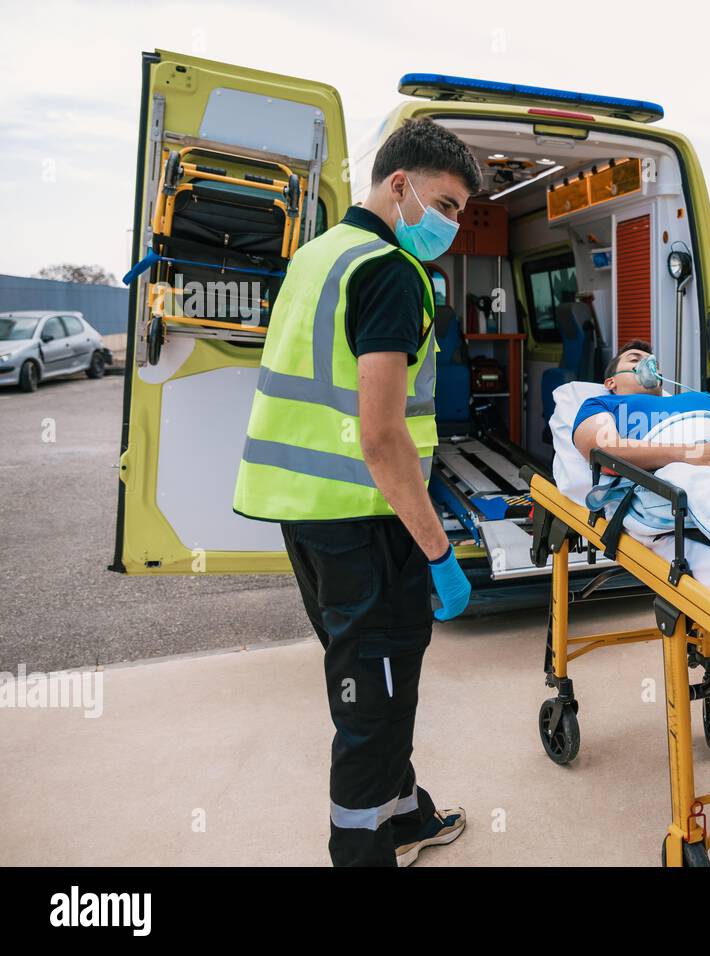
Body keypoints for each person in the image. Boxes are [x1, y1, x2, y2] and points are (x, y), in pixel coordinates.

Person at [232, 117, 482, 866]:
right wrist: (437, 547)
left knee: (380, 680)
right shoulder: (390, 272)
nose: (449, 225)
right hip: (365, 523)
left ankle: (404, 815)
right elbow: (380, 433)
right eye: (443, 205)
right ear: (398, 185)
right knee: (370, 704)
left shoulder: (317, 256)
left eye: (460, 215)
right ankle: (361, 850)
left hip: (311, 518)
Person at [572, 339, 710, 473]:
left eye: (653, 363)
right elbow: (604, 453)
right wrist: (693, 453)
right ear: (611, 382)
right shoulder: (601, 404)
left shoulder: (705, 398)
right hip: (687, 474)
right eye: (634, 360)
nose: (648, 365)